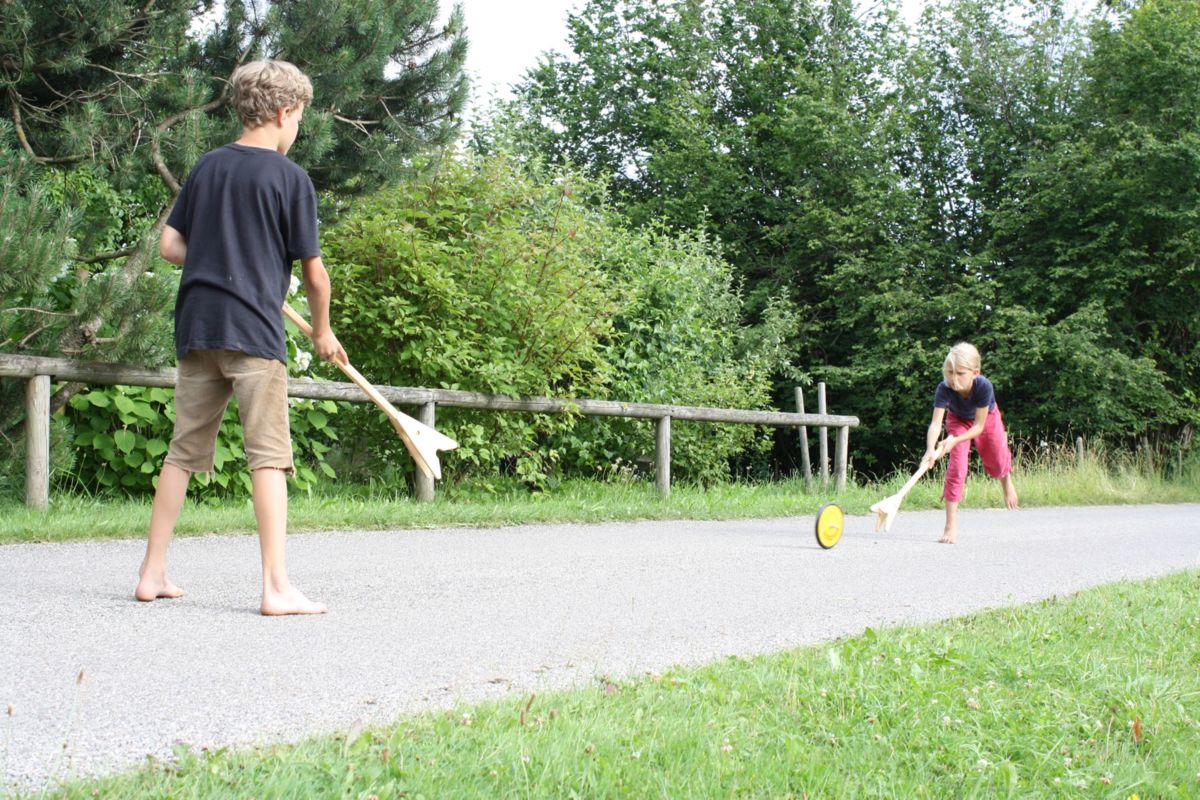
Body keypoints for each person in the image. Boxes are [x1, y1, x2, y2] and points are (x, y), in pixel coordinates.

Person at [134, 59, 347, 615]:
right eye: (299, 118)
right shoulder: (289, 178)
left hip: (199, 327)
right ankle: (276, 588)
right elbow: (315, 276)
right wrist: (322, 332)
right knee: (269, 458)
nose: (296, 129)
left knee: (181, 452)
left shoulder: (207, 167)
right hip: (253, 333)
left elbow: (171, 248)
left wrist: (225, 263)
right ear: (284, 112)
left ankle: (151, 574)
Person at [923, 342, 1018, 544]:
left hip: (984, 419)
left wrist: (954, 440)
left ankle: (1006, 480)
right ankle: (950, 526)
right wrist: (930, 449)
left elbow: (978, 427)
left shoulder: (984, 386)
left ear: (975, 372)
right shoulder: (944, 388)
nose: (953, 379)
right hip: (957, 420)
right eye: (949, 372)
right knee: (957, 468)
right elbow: (935, 423)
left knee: (997, 458)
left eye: (960, 373)